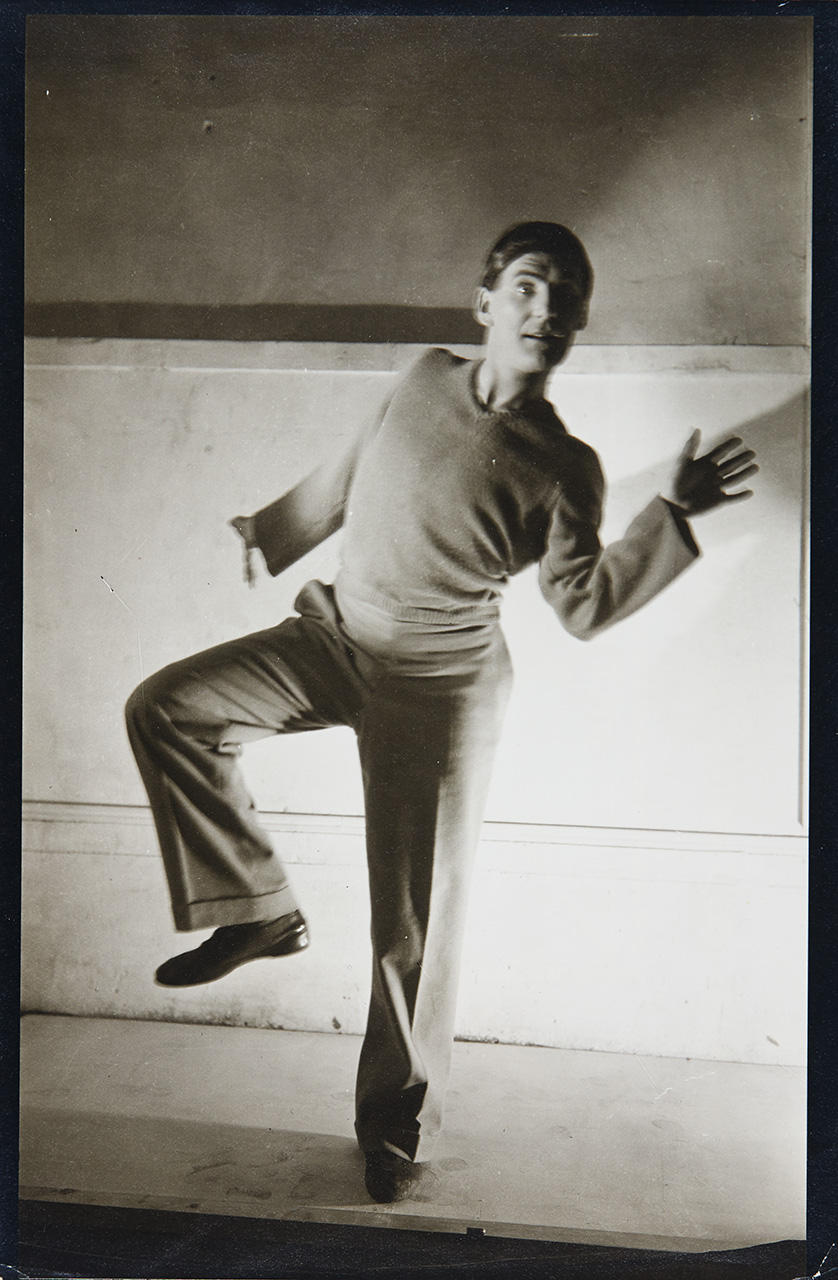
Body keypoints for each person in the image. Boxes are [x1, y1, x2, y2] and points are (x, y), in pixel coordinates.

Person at [125, 221, 757, 1204]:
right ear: (485, 302)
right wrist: (273, 528)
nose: (544, 308)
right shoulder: (420, 375)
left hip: (442, 685)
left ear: (579, 323)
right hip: (339, 636)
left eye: (564, 296)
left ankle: (395, 1126)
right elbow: (349, 471)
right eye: (527, 286)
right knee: (168, 707)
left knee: (409, 922)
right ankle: (257, 908)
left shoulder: (564, 465)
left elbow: (583, 603)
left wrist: (668, 515)